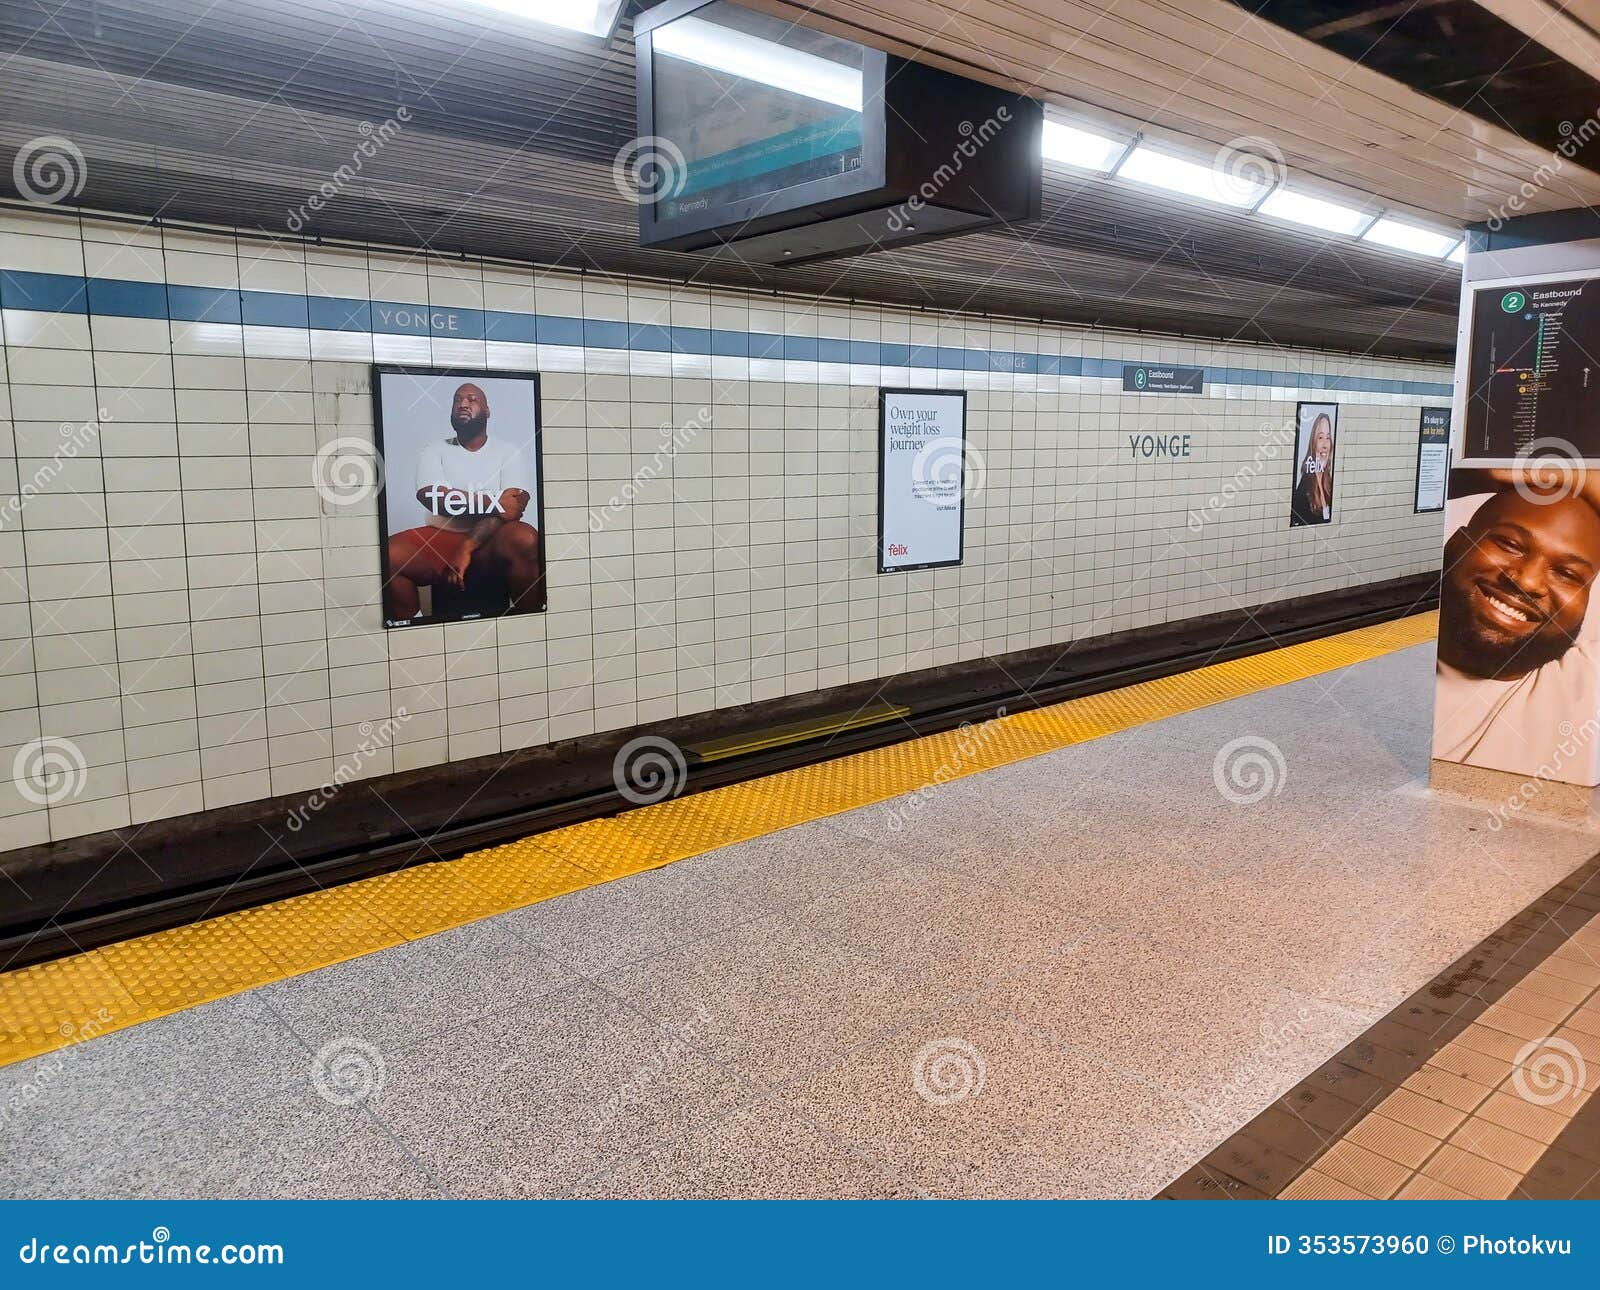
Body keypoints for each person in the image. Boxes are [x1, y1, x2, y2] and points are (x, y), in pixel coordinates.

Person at [1434, 468, 1600, 775]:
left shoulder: (1589, 681)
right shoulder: (1383, 658)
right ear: (1457, 544)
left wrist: (1583, 478)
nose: (1528, 580)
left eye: (1568, 574)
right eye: (1510, 545)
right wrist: (1485, 475)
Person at [383, 381, 542, 623]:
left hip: (492, 540)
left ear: (487, 411)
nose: (463, 404)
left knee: (525, 538)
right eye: (457, 400)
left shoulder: (507, 451)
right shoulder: (433, 450)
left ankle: (532, 624)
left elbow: (514, 508)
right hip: (442, 538)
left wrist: (467, 545)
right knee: (390, 553)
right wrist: (495, 500)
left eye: (472, 399)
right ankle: (412, 631)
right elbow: (434, 499)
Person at [1290, 412, 1335, 526]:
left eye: (1328, 437)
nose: (1325, 444)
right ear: (1313, 443)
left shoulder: (1329, 481)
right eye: (1320, 437)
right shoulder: (1304, 488)